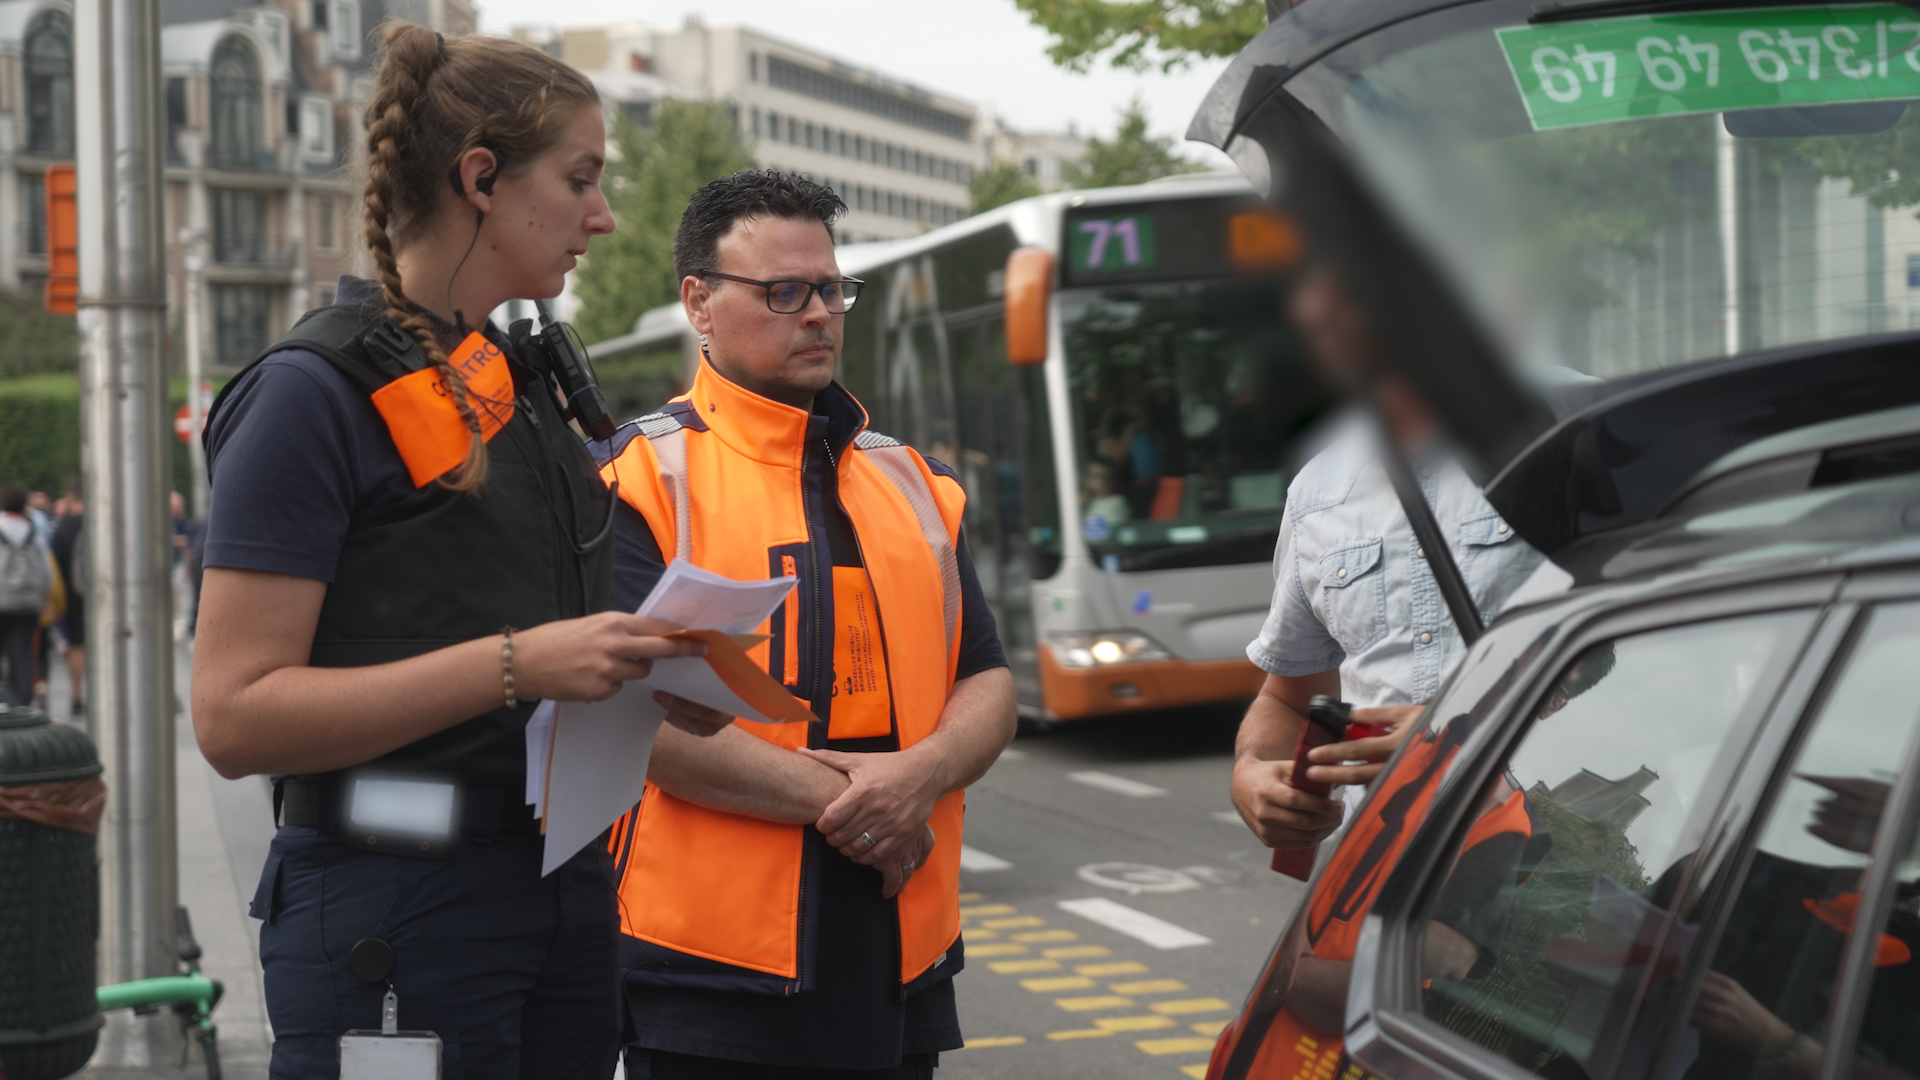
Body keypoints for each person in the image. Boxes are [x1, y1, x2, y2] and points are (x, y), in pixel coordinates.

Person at [189, 24, 731, 1079]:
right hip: (390, 904)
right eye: (580, 178)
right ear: (480, 176)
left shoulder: (512, 390)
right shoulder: (310, 394)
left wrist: (647, 684)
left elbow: (538, 651)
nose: (604, 216)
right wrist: (518, 664)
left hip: (555, 892)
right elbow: (232, 715)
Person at [599, 171, 1018, 1079]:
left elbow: (986, 679)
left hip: (899, 954)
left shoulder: (916, 483)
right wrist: (869, 806)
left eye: (832, 289)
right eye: (784, 292)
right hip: (712, 974)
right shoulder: (636, 478)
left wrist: (924, 775)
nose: (819, 314)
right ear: (698, 303)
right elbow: (632, 720)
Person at [1229, 264, 1546, 862]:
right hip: (1384, 879)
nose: (1312, 307)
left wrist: (1459, 738)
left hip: (1560, 855)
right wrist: (1253, 772)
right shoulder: (1319, 491)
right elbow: (1289, 699)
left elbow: (1675, 647)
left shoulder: (1571, 428)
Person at [0, 483, 51, 706]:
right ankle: (23, 700)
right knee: (23, 652)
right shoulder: (33, 531)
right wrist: (44, 597)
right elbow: (45, 570)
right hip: (27, 602)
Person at [49, 484, 83, 716]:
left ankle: (77, 695)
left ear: (71, 499)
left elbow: (54, 569)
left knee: (76, 646)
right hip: (106, 595)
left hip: (72, 596)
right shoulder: (103, 522)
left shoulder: (63, 528)